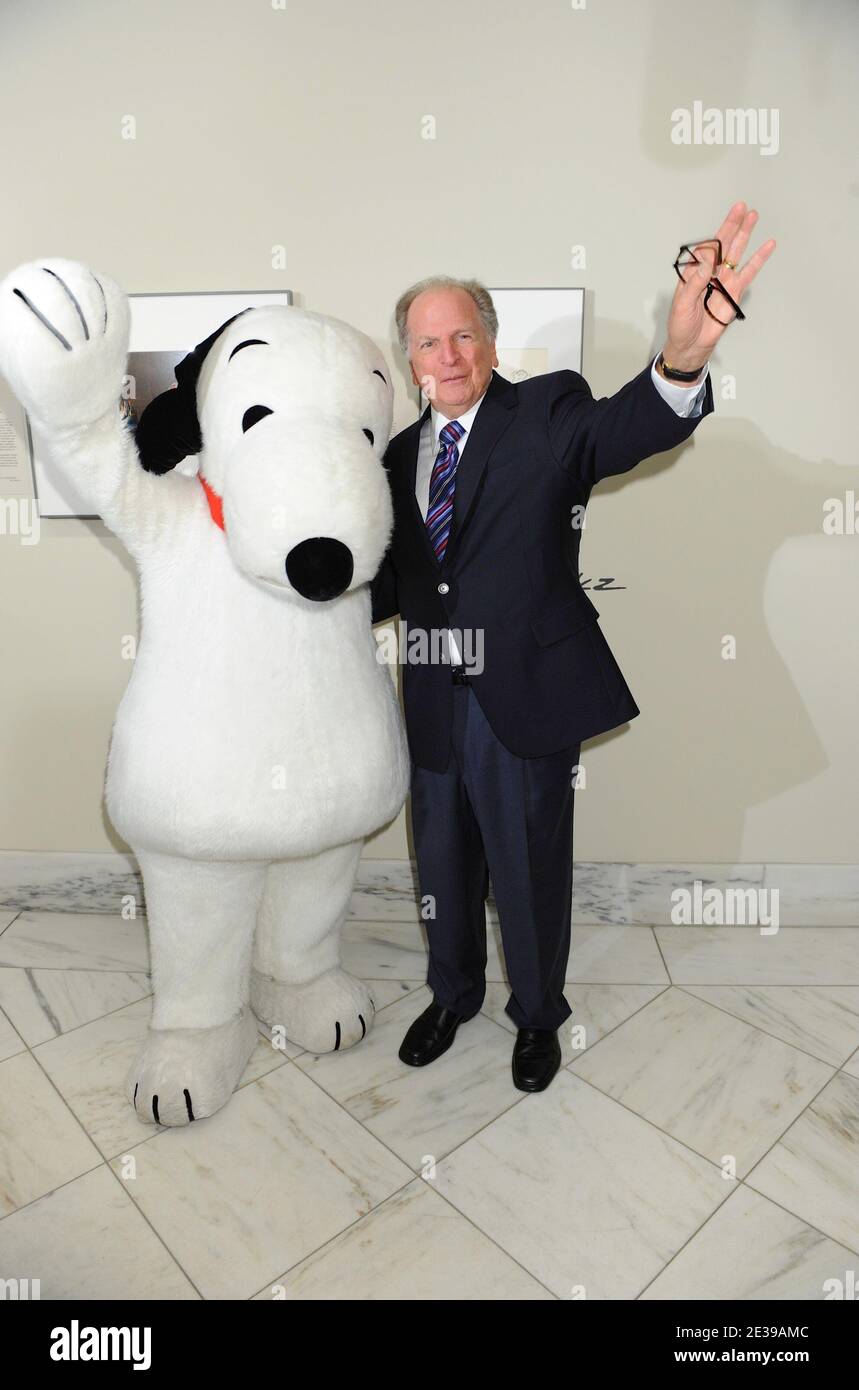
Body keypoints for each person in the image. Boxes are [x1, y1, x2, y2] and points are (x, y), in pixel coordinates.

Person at [371, 201, 775, 1091]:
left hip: (526, 691)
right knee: (439, 858)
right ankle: (451, 996)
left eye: (463, 336)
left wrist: (682, 356)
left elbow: (626, 428)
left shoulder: (547, 412)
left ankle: (537, 1018)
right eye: (429, 343)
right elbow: (393, 581)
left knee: (525, 866)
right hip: (433, 693)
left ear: (489, 342)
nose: (448, 356)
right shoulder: (396, 456)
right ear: (409, 359)